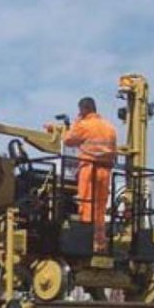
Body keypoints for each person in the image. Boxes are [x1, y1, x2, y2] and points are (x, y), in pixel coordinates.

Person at [62, 97, 117, 253]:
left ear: (84, 109)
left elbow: (68, 140)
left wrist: (77, 121)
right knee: (100, 209)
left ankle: (85, 243)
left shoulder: (84, 125)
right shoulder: (110, 128)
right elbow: (114, 151)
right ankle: (100, 243)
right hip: (105, 172)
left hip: (89, 170)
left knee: (86, 206)